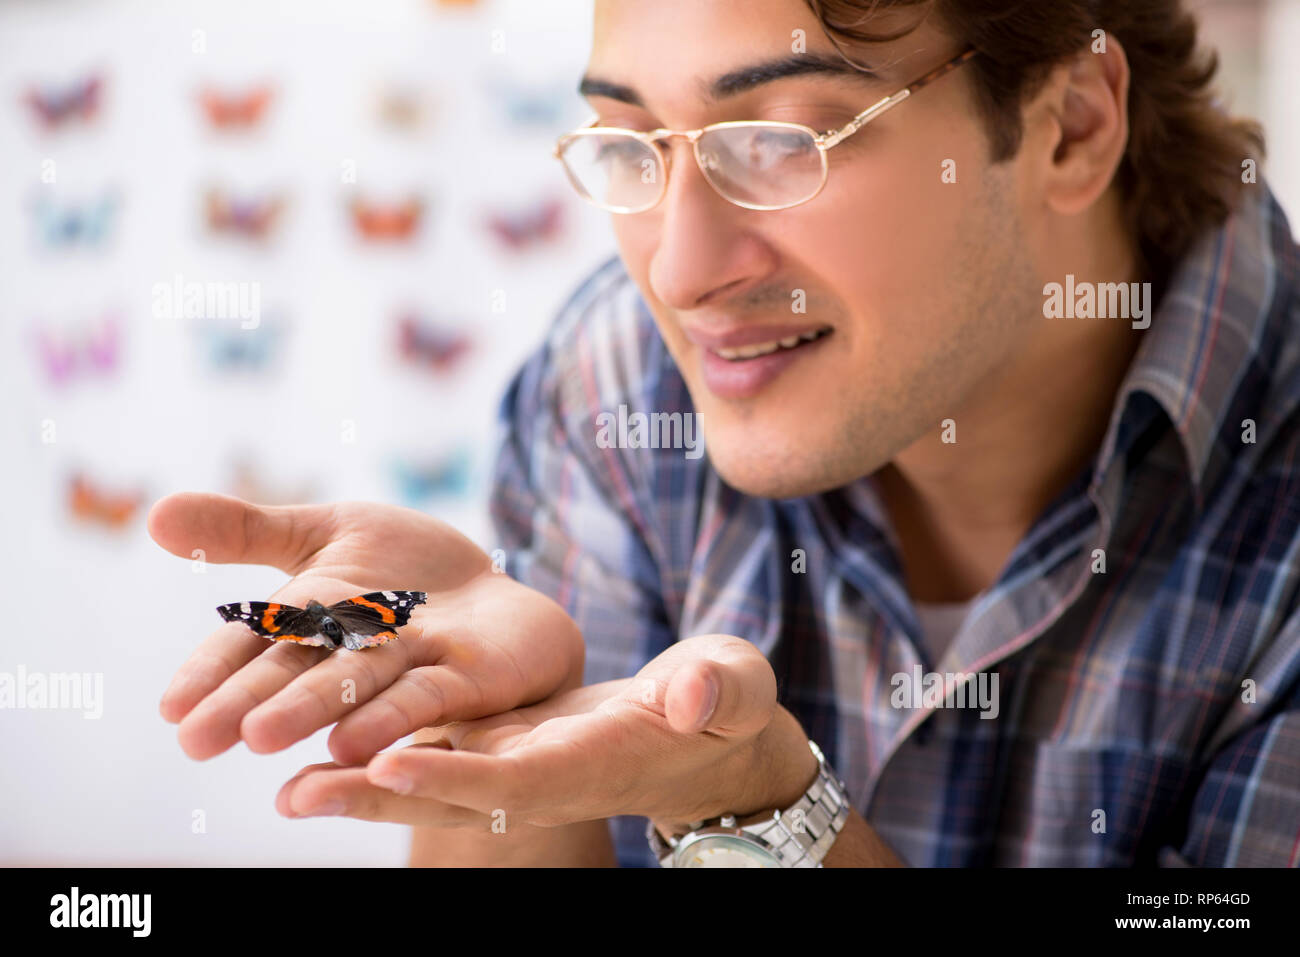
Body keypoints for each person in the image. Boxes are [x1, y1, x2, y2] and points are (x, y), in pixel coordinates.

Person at [148, 0, 1300, 867]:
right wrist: (491, 727)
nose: (683, 273)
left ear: (1069, 126)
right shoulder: (618, 381)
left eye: (784, 142)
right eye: (626, 140)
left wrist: (758, 807)